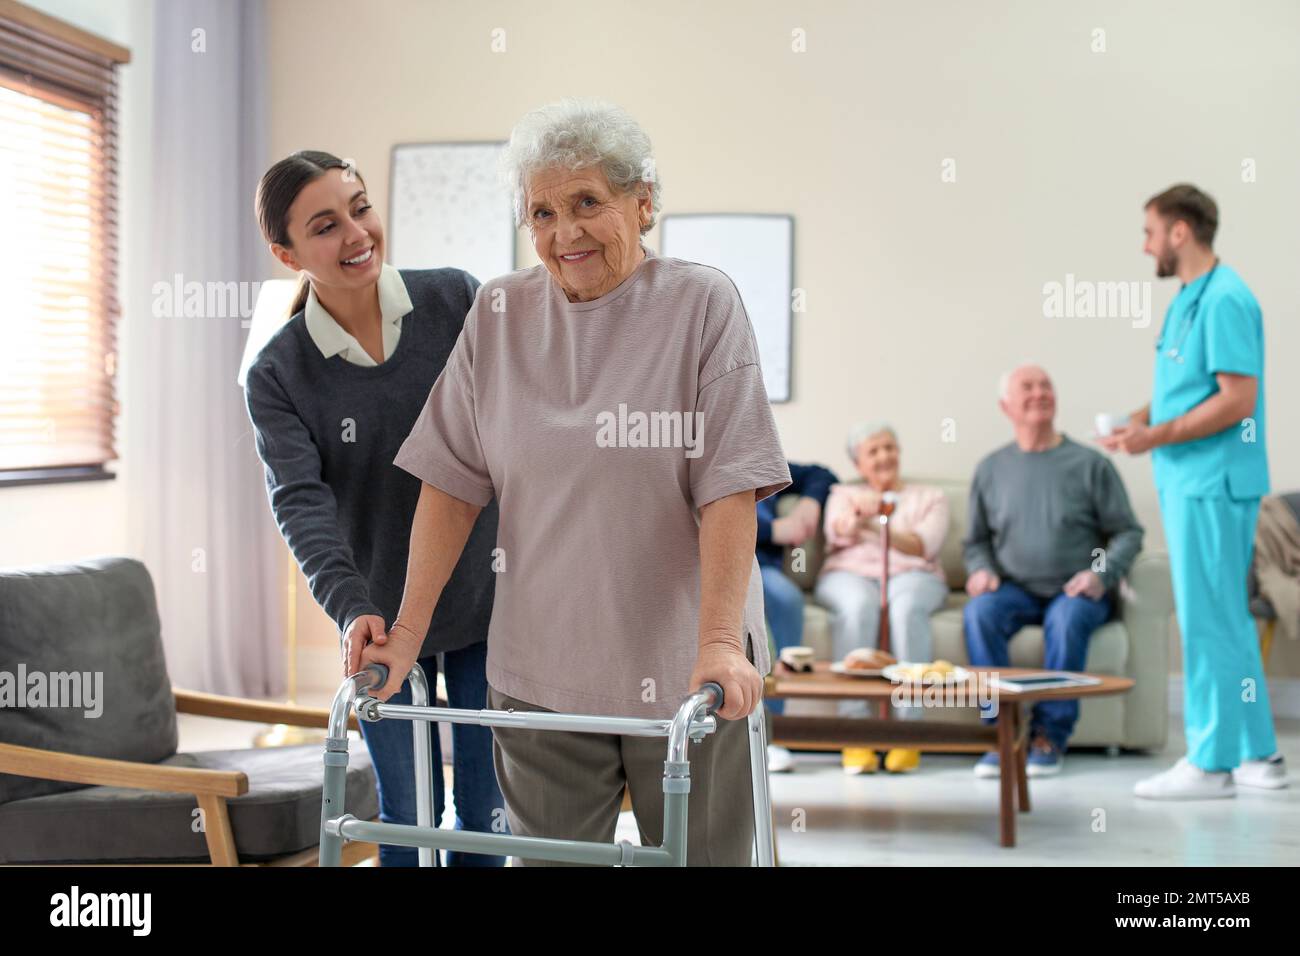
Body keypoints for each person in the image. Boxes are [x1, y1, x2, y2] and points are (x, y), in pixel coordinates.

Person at [361, 98, 791, 866]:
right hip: (543, 675)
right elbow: (452, 483)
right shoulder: (498, 312)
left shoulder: (701, 304)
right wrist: (407, 634)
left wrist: (723, 642)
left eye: (588, 202)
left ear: (644, 202)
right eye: (543, 212)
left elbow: (729, 482)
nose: (566, 234)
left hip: (690, 673)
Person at [244, 151, 505, 866]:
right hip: (385, 625)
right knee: (408, 816)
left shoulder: (456, 299)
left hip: (489, 600)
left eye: (360, 207)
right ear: (286, 251)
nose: (356, 233)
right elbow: (300, 501)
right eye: (326, 225)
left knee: (486, 814)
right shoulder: (277, 373)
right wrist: (349, 604)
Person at [1102, 183, 1287, 797]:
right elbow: (1188, 388)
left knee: (1209, 623)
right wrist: (1141, 422)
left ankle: (1210, 764)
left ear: (1180, 231)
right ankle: (1260, 754)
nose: (1145, 244)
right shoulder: (1189, 300)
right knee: (1225, 618)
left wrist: (1155, 437)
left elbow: (1238, 399)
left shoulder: (1227, 298)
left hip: (1211, 481)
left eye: (1150, 231)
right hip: (1190, 477)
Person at [964, 365, 1143, 778]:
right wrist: (980, 570)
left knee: (1066, 619)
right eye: (1027, 387)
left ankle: (1049, 734)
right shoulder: (991, 468)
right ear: (1005, 405)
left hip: (1074, 590)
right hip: (1014, 589)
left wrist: (1100, 574)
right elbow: (975, 542)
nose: (1039, 393)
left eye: (1046, 385)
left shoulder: (1090, 464)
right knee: (979, 613)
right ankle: (999, 732)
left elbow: (1128, 532)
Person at [814, 423, 950, 774]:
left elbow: (923, 546)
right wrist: (859, 512)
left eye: (889, 447)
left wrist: (878, 523)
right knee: (859, 607)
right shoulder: (843, 493)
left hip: (913, 576)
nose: (884, 456)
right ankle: (855, 732)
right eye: (873, 452)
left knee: (904, 609)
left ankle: (908, 731)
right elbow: (837, 531)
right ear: (859, 464)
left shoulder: (930, 497)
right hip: (849, 575)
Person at [756, 461, 837, 772]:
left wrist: (809, 502)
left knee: (788, 599)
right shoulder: (706, 460)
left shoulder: (768, 463)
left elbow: (823, 474)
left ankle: (771, 732)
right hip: (719, 561)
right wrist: (774, 530)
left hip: (764, 569)